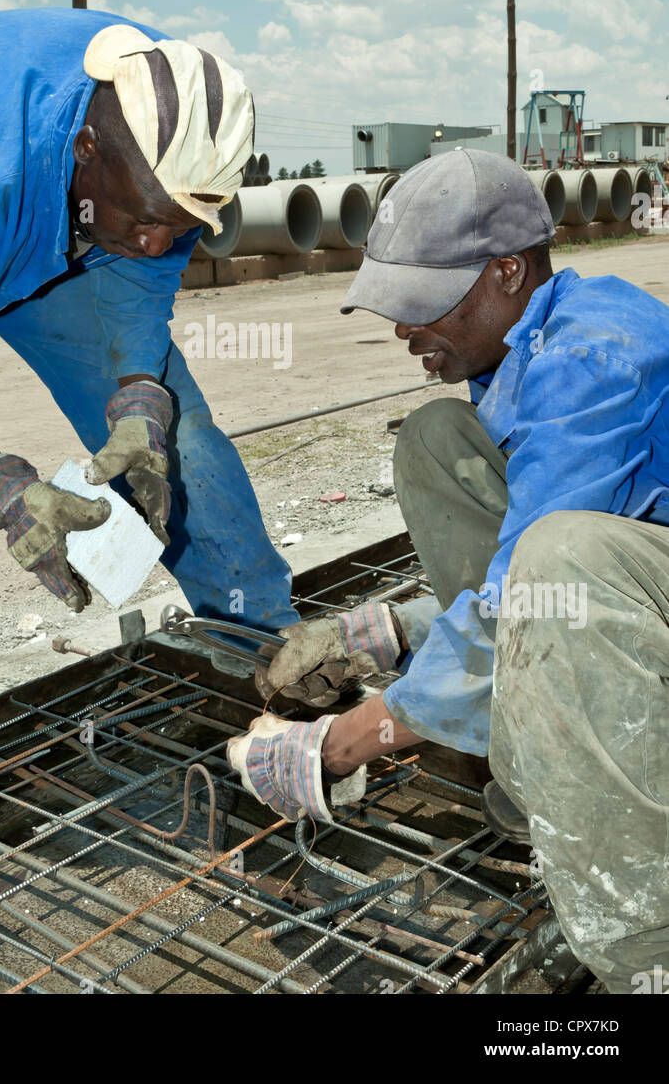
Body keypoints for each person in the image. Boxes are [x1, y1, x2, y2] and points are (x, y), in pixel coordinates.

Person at [229, 148, 669, 993]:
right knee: (438, 442)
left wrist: (339, 747)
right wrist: (395, 630)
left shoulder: (596, 358)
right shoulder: (526, 341)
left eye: (421, 304)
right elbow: (531, 553)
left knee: (559, 557)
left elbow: (551, 578)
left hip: (627, 597)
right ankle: (522, 737)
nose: (403, 331)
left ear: (507, 271)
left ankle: (645, 951)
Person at [0, 9, 298, 744]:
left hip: (63, 223)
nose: (162, 241)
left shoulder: (171, 142)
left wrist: (138, 392)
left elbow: (147, 266)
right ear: (86, 147)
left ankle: (268, 654)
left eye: (182, 219)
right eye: (148, 218)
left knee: (176, 437)